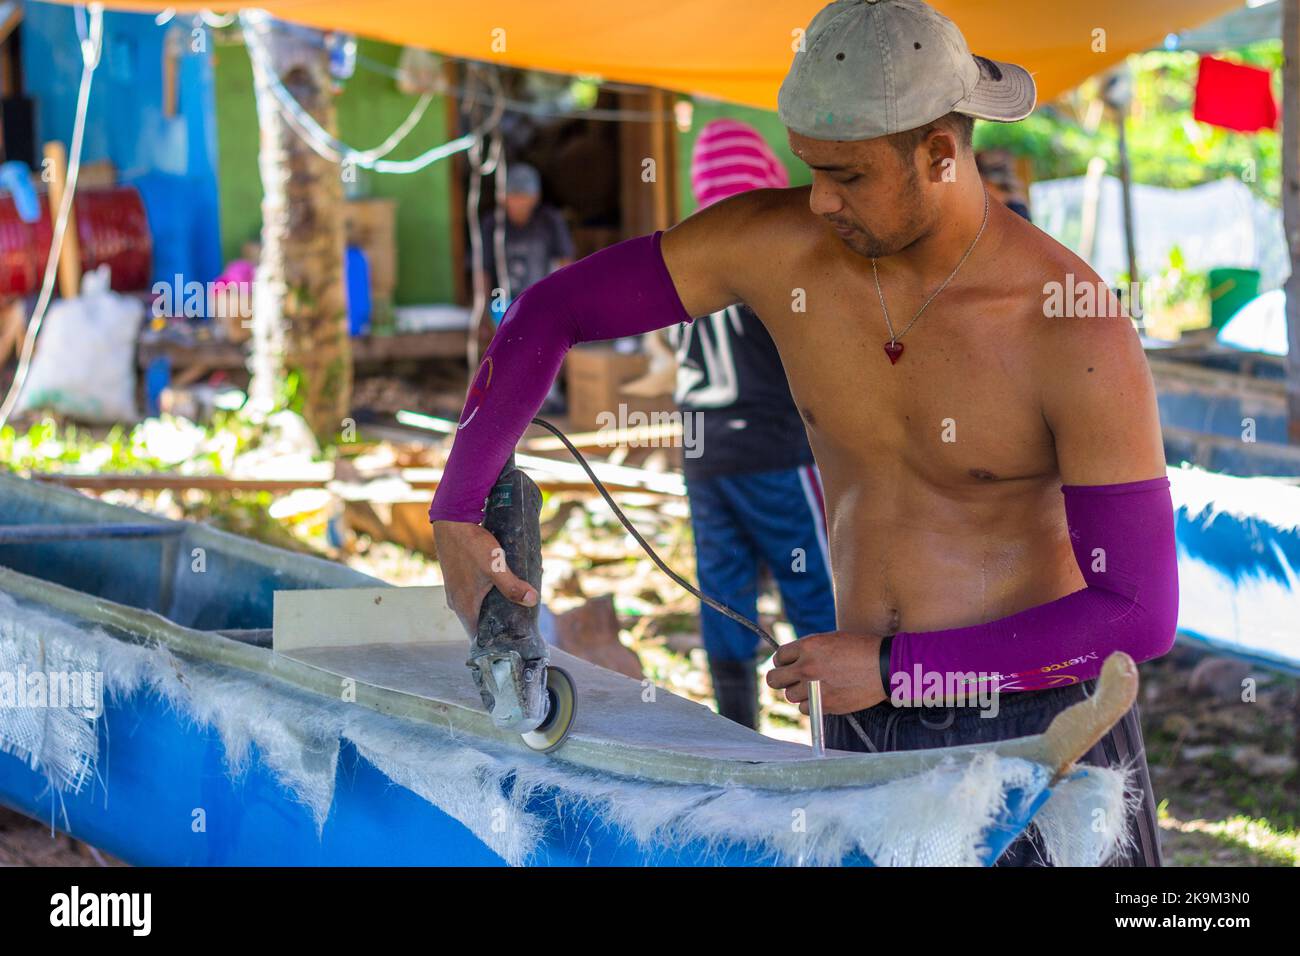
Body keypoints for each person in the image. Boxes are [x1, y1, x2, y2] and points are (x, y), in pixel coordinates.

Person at [430, 0, 1175, 867]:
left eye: (850, 176)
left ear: (940, 153)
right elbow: (550, 311)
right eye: (809, 169)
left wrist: (898, 669)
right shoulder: (776, 247)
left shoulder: (1071, 328)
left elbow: (1137, 616)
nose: (819, 201)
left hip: (1039, 737)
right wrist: (456, 508)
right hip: (857, 722)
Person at [674, 119, 836, 729]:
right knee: (813, 586)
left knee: (723, 591)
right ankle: (838, 733)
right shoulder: (771, 257)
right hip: (772, 450)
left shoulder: (686, 256)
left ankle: (737, 732)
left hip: (704, 452)